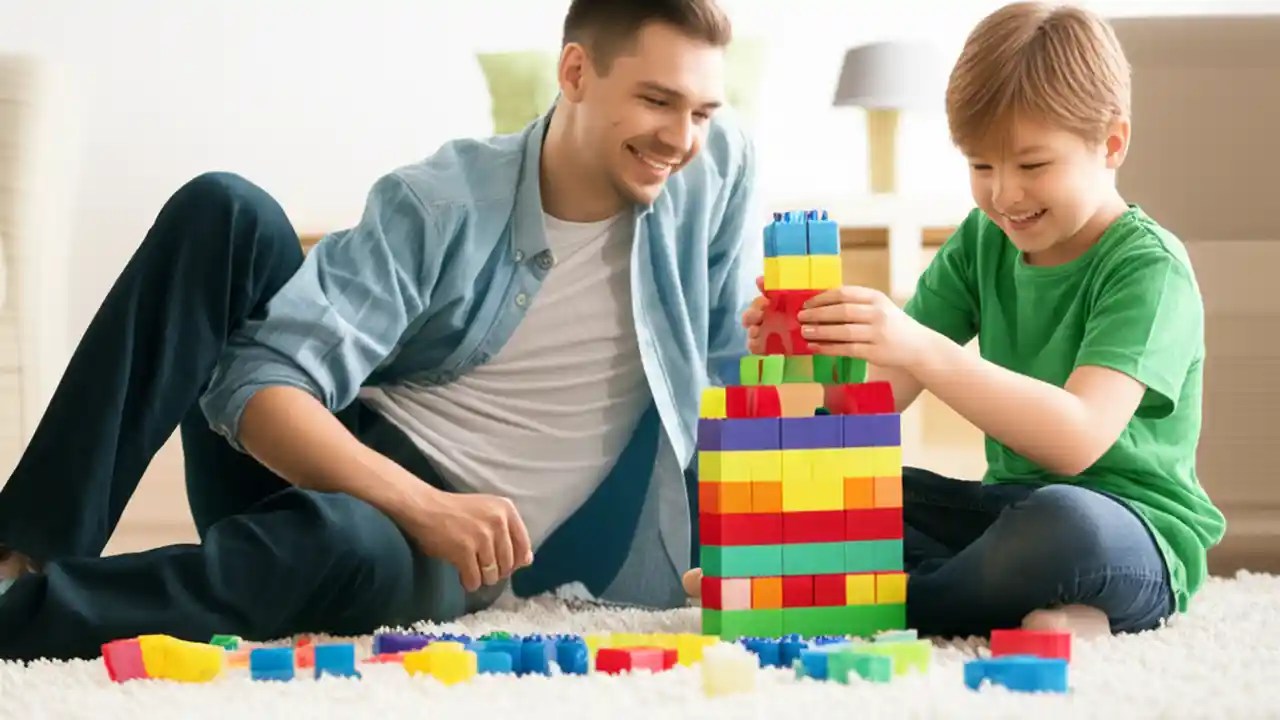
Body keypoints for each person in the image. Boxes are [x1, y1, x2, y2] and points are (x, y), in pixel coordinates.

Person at [0, 0, 758, 661]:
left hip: (448, 548)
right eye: (657, 100)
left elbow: (716, 372)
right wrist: (420, 503)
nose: (680, 138)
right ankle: (23, 557)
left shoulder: (715, 171)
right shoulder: (443, 202)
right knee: (223, 211)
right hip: (339, 456)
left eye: (701, 112)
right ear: (575, 73)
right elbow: (258, 386)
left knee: (344, 545)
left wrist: (740, 539)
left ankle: (30, 618)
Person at [685, 1, 1225, 639]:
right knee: (791, 478)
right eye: (981, 166)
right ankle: (1004, 600)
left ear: (1111, 143)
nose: (1004, 195)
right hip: (1004, 512)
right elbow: (881, 402)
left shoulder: (1147, 268)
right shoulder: (984, 239)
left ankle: (857, 599)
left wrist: (921, 348)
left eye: (1032, 166)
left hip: (1130, 533)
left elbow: (1075, 442)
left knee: (1061, 529)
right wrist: (812, 350)